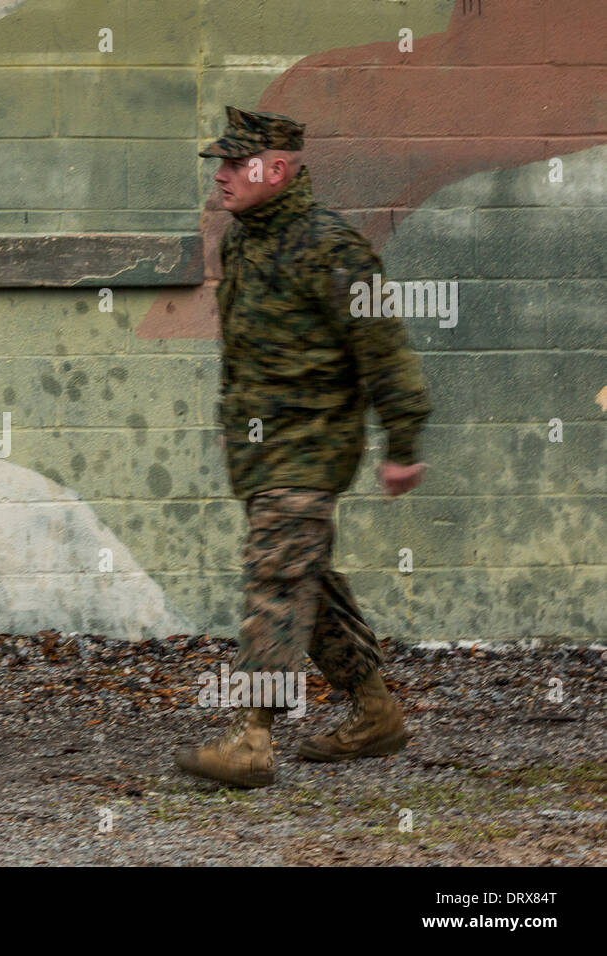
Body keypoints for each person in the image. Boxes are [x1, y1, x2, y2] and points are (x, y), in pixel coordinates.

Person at [175, 107, 431, 788]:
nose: (222, 176)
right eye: (221, 164)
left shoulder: (334, 249)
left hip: (310, 448)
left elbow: (386, 352)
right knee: (306, 577)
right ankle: (376, 711)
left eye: (235, 164)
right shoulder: (243, 241)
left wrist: (402, 441)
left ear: (278, 169)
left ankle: (251, 739)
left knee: (277, 580)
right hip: (262, 453)